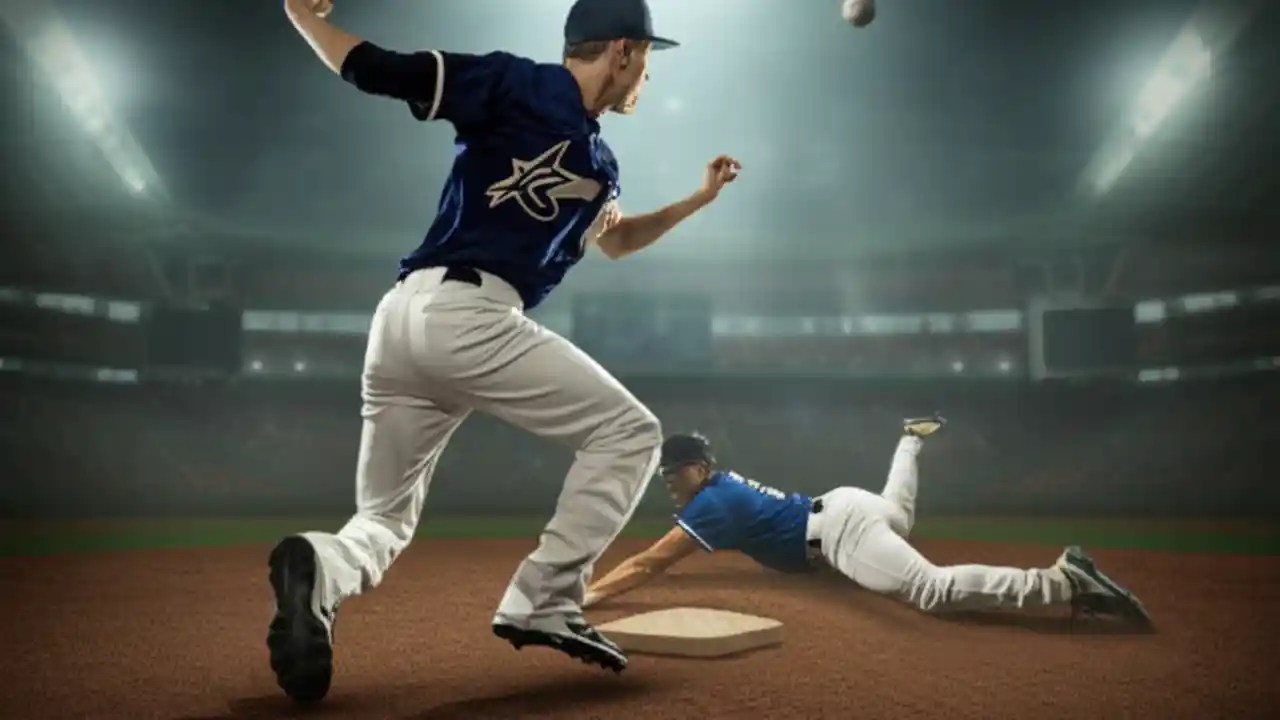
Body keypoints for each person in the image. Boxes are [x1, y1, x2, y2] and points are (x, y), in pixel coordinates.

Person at [269, 0, 741, 702]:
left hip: (401, 321)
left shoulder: (598, 160)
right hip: (470, 314)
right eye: (646, 54)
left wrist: (697, 201)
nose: (648, 72)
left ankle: (320, 562)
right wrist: (304, 18)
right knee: (629, 432)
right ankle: (545, 598)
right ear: (619, 50)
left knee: (382, 520)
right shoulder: (521, 84)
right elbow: (383, 70)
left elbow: (616, 241)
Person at [584, 417, 1153, 629]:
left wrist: (586, 596)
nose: (666, 478)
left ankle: (1062, 581)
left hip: (838, 532)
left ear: (699, 468)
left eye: (673, 470)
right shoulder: (720, 489)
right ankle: (909, 438)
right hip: (848, 507)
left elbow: (648, 562)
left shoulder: (711, 502)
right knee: (898, 514)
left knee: (932, 590)